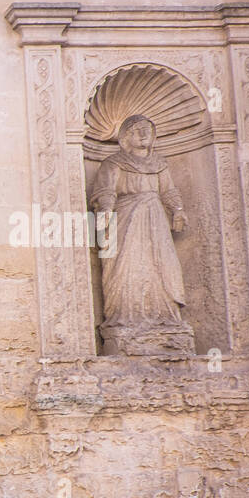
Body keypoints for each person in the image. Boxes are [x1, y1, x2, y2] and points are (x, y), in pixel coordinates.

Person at [88, 114, 190, 343]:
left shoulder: (160, 164)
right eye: (137, 130)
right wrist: (104, 210)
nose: (144, 134)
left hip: (155, 219)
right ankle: (125, 315)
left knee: (160, 264)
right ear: (126, 136)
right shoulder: (113, 163)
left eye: (147, 130)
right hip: (126, 218)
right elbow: (106, 190)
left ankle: (164, 317)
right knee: (126, 263)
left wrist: (178, 210)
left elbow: (169, 191)